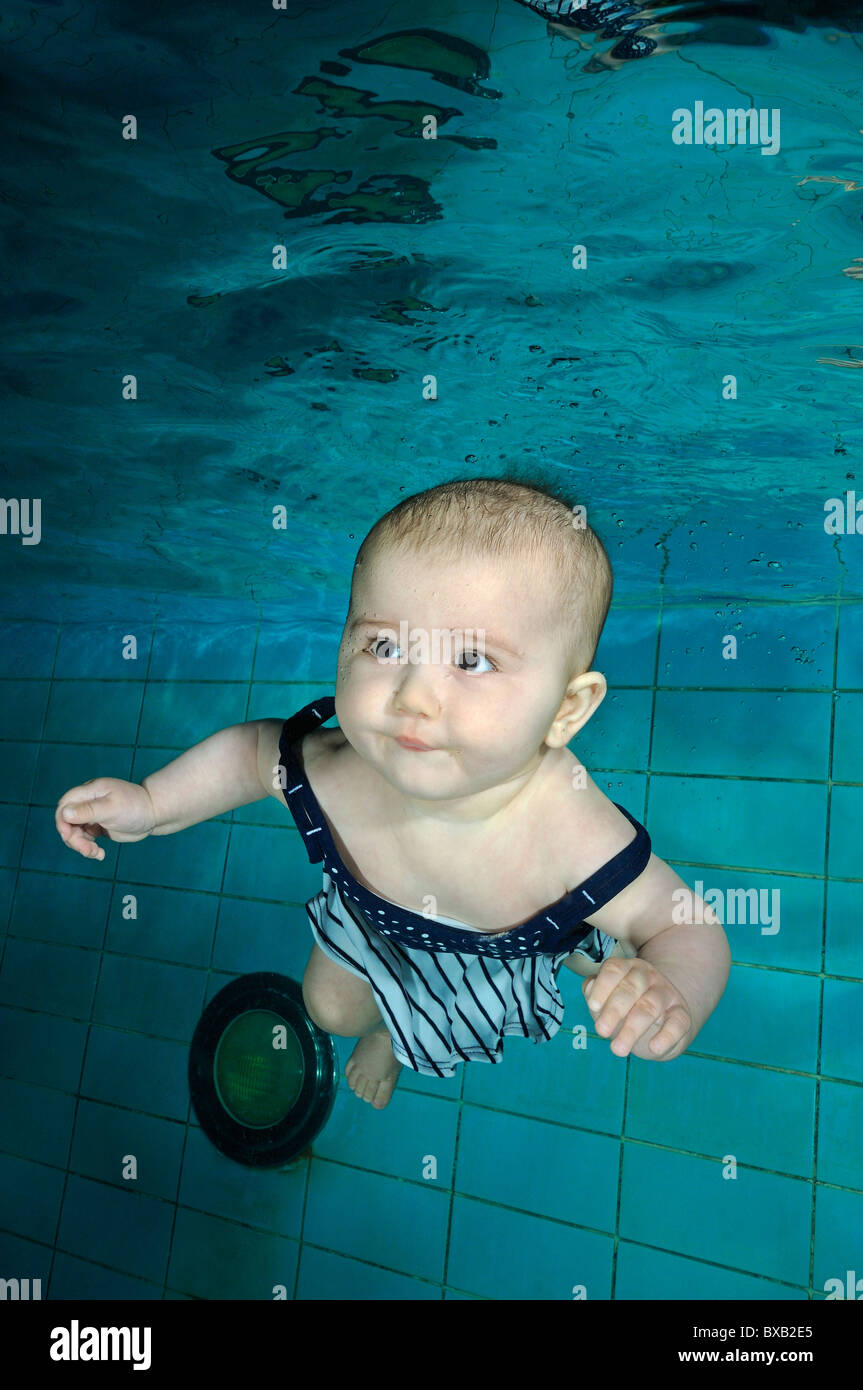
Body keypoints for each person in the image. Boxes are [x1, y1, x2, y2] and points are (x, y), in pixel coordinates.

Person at [56, 476, 730, 1110]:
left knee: (583, 965)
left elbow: (682, 925)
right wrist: (153, 805)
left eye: (471, 661)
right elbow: (250, 754)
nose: (412, 696)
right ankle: (379, 1028)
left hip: (492, 960)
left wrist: (671, 987)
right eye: (383, 647)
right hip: (371, 919)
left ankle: (403, 1041)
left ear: (565, 710)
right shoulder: (341, 767)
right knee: (327, 1010)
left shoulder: (570, 834)